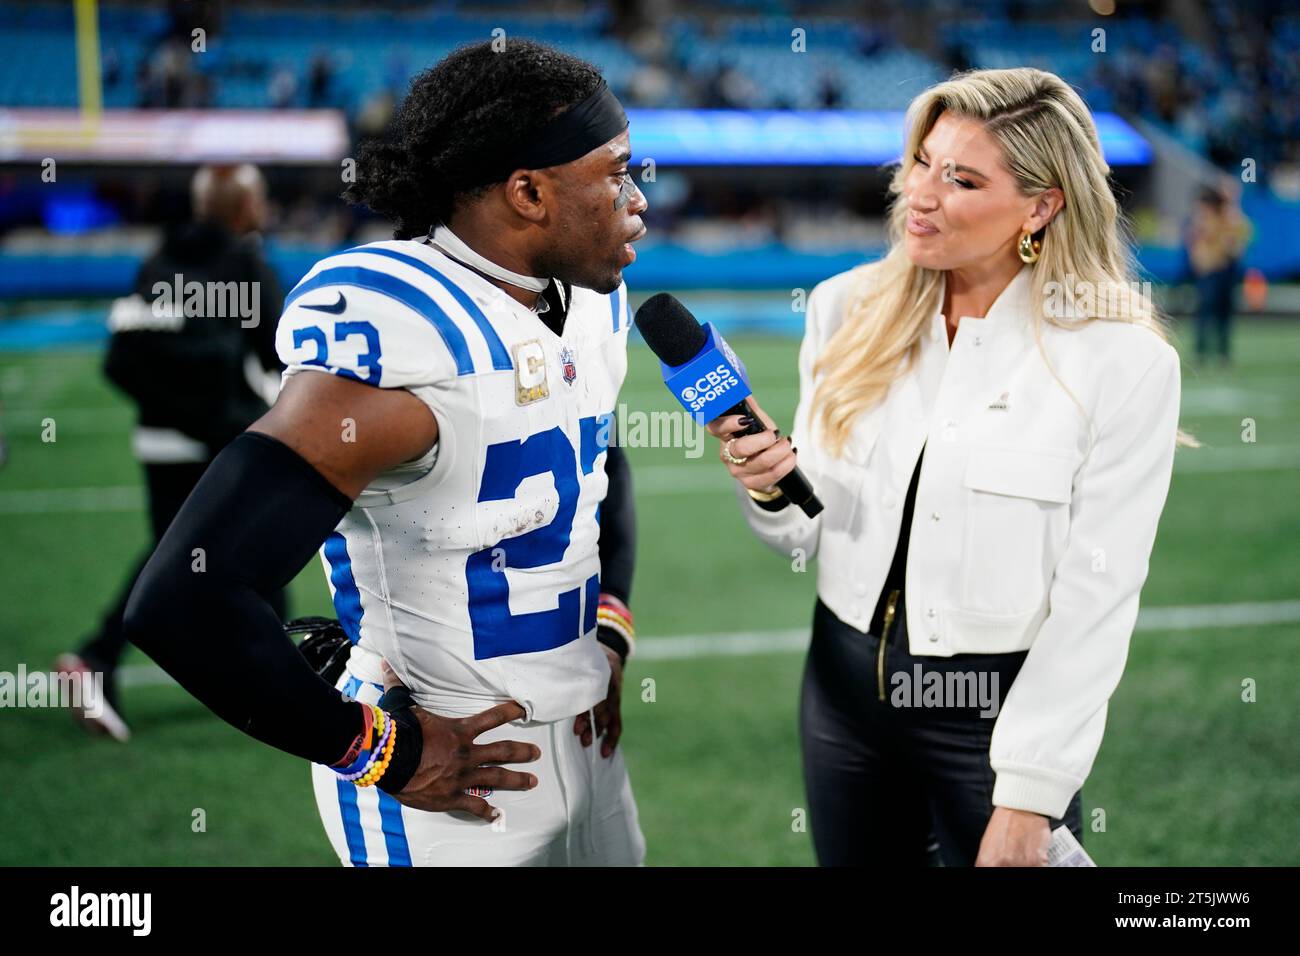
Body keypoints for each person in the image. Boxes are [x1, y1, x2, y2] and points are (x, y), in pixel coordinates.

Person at [124, 39, 649, 867]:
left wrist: (608, 628)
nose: (637, 199)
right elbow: (186, 595)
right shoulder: (404, 335)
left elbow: (596, 466)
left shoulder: (584, 304)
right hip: (453, 785)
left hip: (592, 749)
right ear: (528, 192)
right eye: (617, 172)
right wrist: (377, 750)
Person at [706, 68, 1199, 866]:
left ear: (1042, 206)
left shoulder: (1123, 361)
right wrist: (770, 482)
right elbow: (805, 538)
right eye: (922, 163)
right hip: (840, 692)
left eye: (962, 178)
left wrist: (1030, 793)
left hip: (993, 717)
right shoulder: (843, 308)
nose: (921, 194)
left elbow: (1097, 601)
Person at [56, 163, 285, 742]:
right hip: (219, 442)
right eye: (257, 200)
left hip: (158, 440)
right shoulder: (246, 266)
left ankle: (274, 676)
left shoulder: (159, 262)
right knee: (194, 558)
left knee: (230, 554)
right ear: (242, 208)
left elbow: (121, 357)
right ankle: (96, 657)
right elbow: (282, 358)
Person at [1186, 183, 1252, 369]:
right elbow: (1198, 238)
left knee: (1224, 313)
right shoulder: (1206, 217)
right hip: (1209, 269)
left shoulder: (1231, 218)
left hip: (1225, 269)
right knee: (1206, 312)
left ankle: (1223, 353)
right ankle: (1201, 353)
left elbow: (1240, 240)